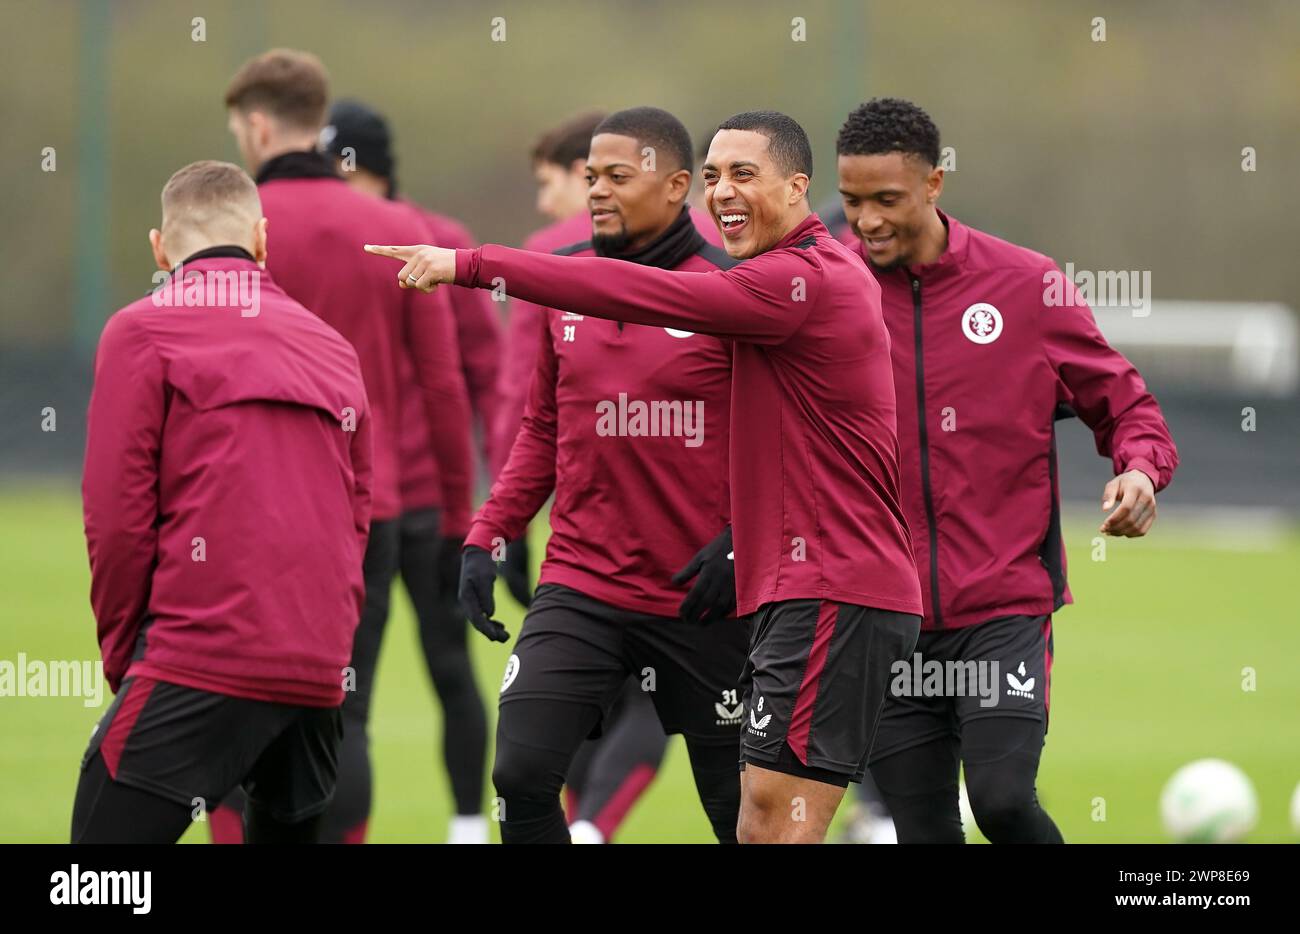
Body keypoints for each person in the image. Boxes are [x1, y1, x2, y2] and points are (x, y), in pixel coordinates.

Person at [367, 110, 925, 844]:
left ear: (797, 186)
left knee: (773, 827)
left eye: (744, 175)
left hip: (828, 586)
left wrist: (468, 264)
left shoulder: (795, 283)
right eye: (718, 175)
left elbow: (651, 294)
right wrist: (492, 527)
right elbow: (545, 424)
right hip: (778, 586)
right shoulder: (781, 277)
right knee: (763, 823)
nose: (725, 191)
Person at [835, 97, 1179, 843]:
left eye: (886, 200)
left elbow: (1125, 404)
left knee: (1002, 801)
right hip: (883, 616)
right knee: (921, 829)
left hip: (1000, 608)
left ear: (935, 184)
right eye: (852, 201)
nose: (865, 221)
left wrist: (1141, 470)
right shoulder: (831, 291)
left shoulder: (1025, 286)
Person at [460, 106, 747, 844]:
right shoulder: (566, 288)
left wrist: (742, 541)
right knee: (520, 774)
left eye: (619, 177)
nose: (597, 192)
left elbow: (789, 446)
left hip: (705, 600)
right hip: (582, 586)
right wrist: (488, 533)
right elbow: (542, 431)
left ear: (679, 185)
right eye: (592, 178)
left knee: (744, 817)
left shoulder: (733, 294)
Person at [74, 160, 371, 844]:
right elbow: (356, 513)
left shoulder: (140, 331)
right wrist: (325, 645)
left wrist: (128, 660)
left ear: (159, 248)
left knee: (93, 884)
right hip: (317, 675)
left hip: (199, 657)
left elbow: (116, 521)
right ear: (262, 240)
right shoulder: (333, 348)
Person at [224, 48, 473, 843]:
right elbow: (443, 388)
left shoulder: (233, 224)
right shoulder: (400, 230)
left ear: (258, 125)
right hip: (374, 510)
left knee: (231, 706)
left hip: (245, 509)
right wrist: (460, 523)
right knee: (346, 710)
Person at [321, 98, 493, 844]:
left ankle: (464, 824)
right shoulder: (326, 235)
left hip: (414, 501)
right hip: (372, 499)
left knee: (447, 665)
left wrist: (490, 509)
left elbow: (479, 374)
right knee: (349, 686)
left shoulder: (436, 240)